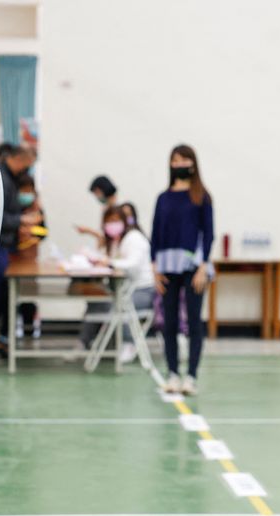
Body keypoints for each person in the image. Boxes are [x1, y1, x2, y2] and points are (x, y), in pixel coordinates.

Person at [150, 144, 214, 395]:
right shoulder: (163, 198)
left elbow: (208, 234)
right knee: (169, 322)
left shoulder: (202, 197)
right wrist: (154, 269)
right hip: (167, 267)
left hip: (193, 266)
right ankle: (173, 374)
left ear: (193, 163)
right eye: (175, 160)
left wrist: (202, 266)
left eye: (184, 160)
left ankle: (191, 377)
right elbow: (155, 234)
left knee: (194, 322)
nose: (179, 164)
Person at [80, 205, 156, 363]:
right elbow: (111, 260)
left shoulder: (134, 238)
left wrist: (109, 263)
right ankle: (87, 342)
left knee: (119, 306)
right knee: (95, 302)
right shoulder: (116, 241)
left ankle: (129, 343)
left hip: (144, 290)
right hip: (125, 289)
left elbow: (132, 264)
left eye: (115, 221)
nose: (111, 225)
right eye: (108, 222)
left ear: (124, 221)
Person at [0, 143, 36, 355]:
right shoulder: (1, 179)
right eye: (27, 165)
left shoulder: (9, 180)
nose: (27, 170)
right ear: (19, 159)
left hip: (6, 246)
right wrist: (21, 220)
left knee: (0, 299)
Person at [13, 173, 47, 339]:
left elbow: (44, 232)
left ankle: (29, 328)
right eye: (23, 190)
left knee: (28, 295)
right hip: (13, 257)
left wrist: (31, 231)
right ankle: (8, 330)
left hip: (30, 257)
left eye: (29, 190)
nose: (26, 193)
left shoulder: (37, 209)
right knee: (10, 293)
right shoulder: (12, 207)